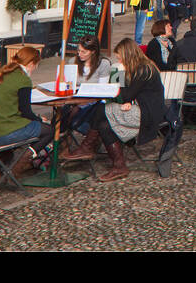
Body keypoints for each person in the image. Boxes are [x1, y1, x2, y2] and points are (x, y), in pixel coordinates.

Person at [63, 38, 165, 181]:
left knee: (101, 109)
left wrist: (119, 73)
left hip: (147, 115)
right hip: (140, 108)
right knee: (104, 125)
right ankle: (119, 166)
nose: (119, 61)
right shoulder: (139, 67)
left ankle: (88, 146)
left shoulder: (144, 69)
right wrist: (127, 99)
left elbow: (124, 94)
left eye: (120, 58)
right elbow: (125, 96)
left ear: (127, 55)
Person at [0, 46, 53, 169]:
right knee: (49, 130)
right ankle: (19, 166)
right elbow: (25, 113)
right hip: (2, 133)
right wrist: (40, 120)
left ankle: (2, 164)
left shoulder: (1, 74)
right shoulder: (23, 79)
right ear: (31, 64)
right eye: (36, 65)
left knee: (35, 125)